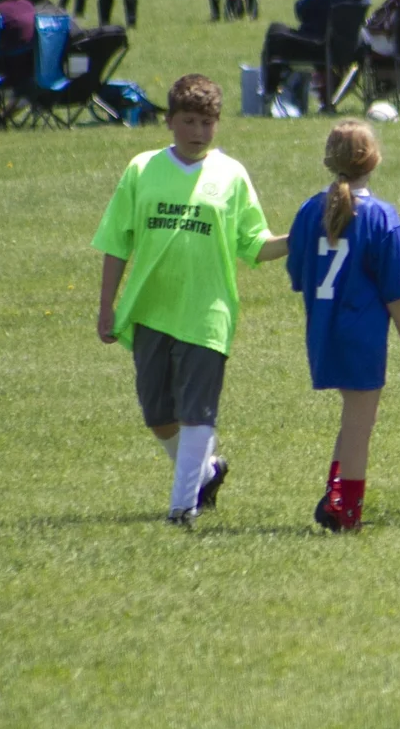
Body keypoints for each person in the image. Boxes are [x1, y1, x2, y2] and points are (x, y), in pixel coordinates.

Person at [92, 74, 289, 527]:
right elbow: (116, 243)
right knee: (158, 414)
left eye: (207, 122)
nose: (198, 132)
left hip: (207, 311)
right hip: (151, 309)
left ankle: (183, 506)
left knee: (198, 411)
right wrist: (107, 307)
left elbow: (254, 244)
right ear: (170, 122)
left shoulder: (231, 174)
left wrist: (298, 239)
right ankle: (205, 471)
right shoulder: (142, 169)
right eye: (189, 122)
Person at [287, 120, 400, 532]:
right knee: (360, 425)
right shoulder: (382, 216)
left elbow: (297, 272)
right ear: (373, 159)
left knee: (353, 417)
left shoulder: (311, 210)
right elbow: (395, 291)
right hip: (361, 332)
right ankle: (348, 514)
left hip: (323, 328)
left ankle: (334, 497)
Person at [260, 0, 369, 111]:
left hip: (322, 49)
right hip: (350, 50)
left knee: (275, 32)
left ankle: (269, 92)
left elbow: (301, 10)